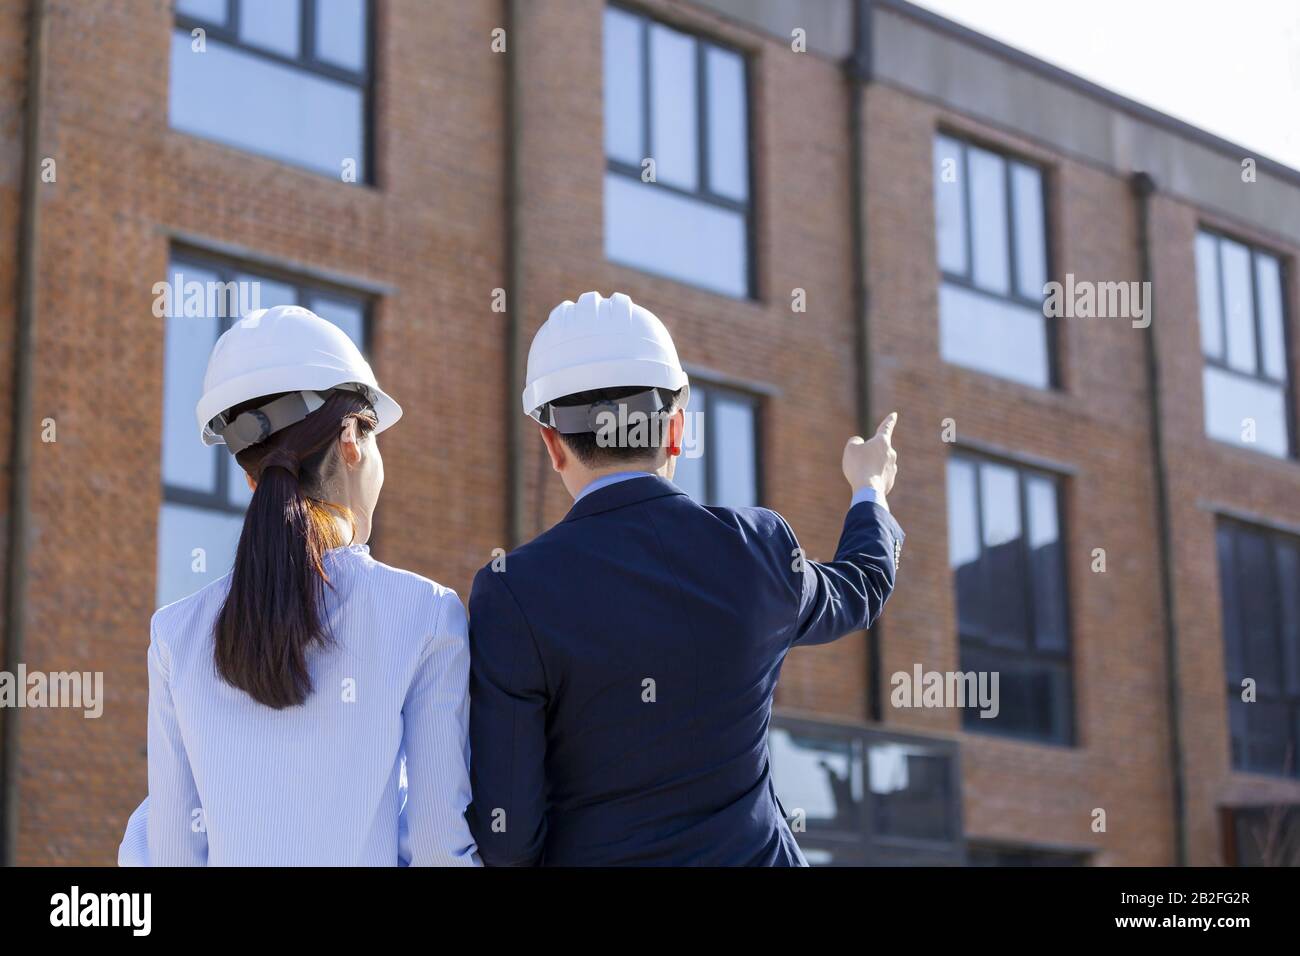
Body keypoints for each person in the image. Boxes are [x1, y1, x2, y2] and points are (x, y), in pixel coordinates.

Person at [465, 291, 904, 866]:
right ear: (676, 429)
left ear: (552, 444)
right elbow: (862, 586)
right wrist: (869, 488)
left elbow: (508, 838)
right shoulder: (759, 551)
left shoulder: (512, 591)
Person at [119, 305, 477, 866]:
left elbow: (169, 855)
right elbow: (438, 849)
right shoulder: (426, 614)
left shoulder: (175, 634)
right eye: (375, 437)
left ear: (248, 475)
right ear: (351, 439)